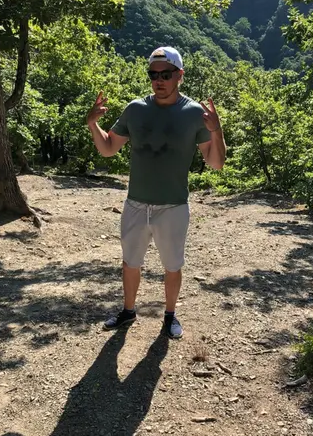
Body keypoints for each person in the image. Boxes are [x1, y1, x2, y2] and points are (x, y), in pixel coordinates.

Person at [87, 46, 226, 339]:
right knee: (130, 263)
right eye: (153, 74)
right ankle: (128, 311)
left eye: (166, 74)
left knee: (172, 266)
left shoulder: (195, 113)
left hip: (173, 206)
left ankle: (170, 316)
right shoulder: (135, 109)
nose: (159, 80)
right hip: (136, 204)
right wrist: (93, 124)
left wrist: (217, 131)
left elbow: (215, 163)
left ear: (180, 75)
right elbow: (108, 149)